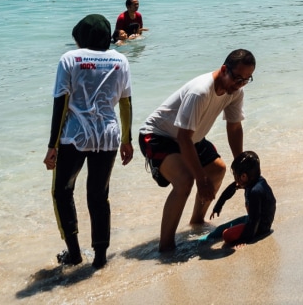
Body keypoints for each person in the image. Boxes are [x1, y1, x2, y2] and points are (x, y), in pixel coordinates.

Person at [138, 49, 254, 252]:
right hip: (158, 136)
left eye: (246, 80)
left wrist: (241, 167)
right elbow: (183, 139)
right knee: (185, 181)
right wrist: (200, 179)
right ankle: (166, 247)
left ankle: (197, 223)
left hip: (191, 136)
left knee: (218, 170)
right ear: (224, 69)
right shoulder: (200, 92)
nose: (239, 85)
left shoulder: (236, 92)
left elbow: (234, 127)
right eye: (237, 78)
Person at [46, 14, 133, 268]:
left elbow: (61, 103)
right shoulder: (121, 60)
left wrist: (52, 145)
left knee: (62, 191)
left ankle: (74, 253)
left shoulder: (70, 59)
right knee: (98, 195)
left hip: (75, 136)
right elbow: (126, 103)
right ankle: (101, 257)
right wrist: (127, 140)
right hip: (108, 136)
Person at [211, 151, 276, 246]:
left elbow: (255, 222)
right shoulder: (251, 181)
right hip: (251, 219)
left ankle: (202, 242)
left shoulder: (256, 191)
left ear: (244, 176)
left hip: (260, 227)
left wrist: (244, 240)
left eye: (235, 175)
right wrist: (218, 207)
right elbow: (231, 189)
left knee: (227, 235)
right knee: (219, 230)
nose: (235, 179)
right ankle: (202, 241)